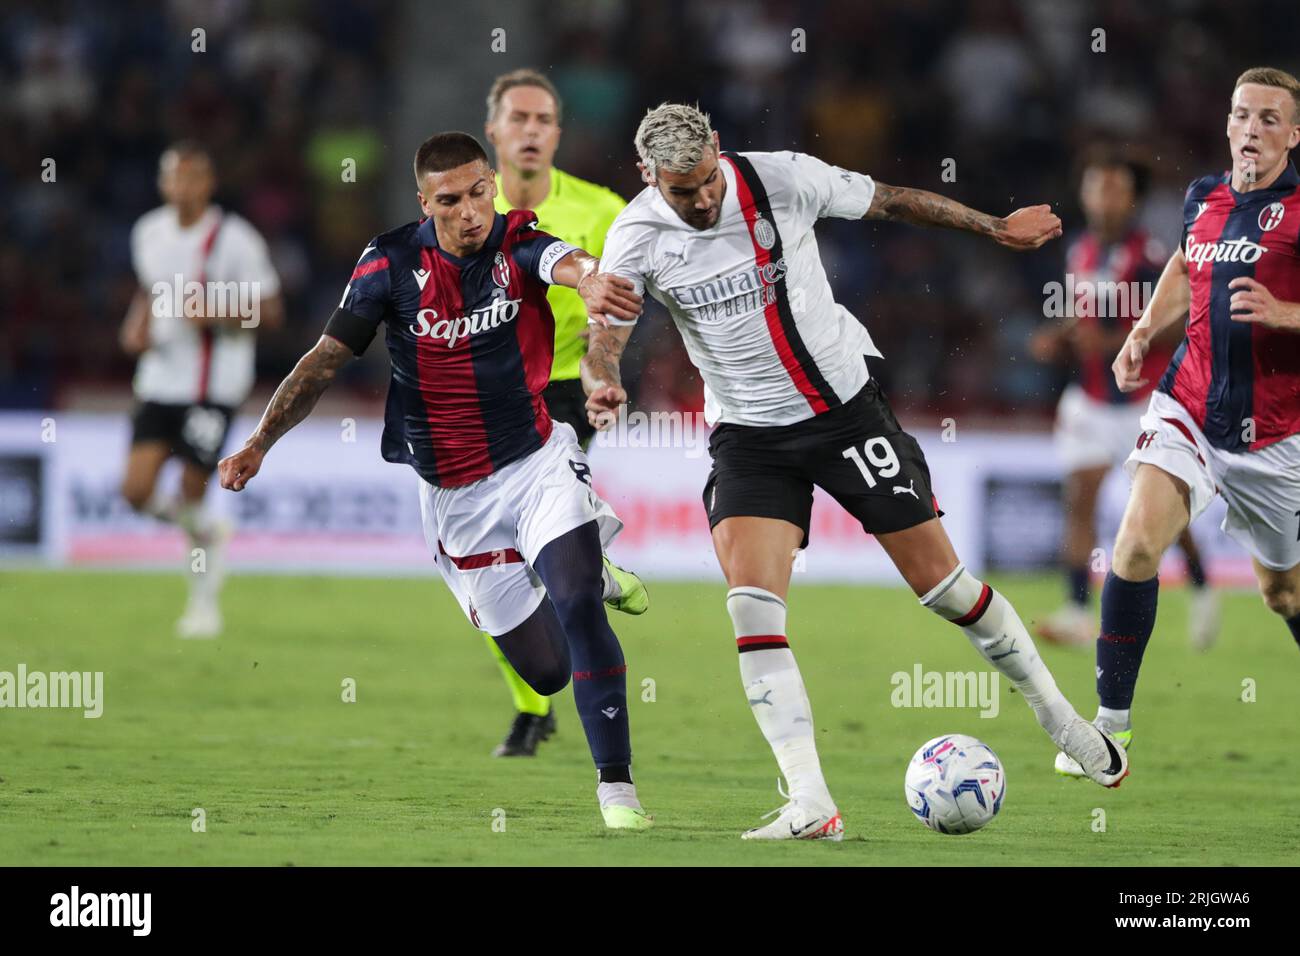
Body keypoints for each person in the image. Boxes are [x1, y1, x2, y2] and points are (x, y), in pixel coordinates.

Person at [583, 103, 1128, 841]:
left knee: (946, 589)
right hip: (749, 437)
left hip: (844, 414)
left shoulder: (781, 179)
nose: (703, 199)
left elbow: (893, 200)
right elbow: (605, 339)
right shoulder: (635, 236)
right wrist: (603, 382)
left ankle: (1061, 721)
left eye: (708, 179)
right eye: (684, 191)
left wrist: (994, 227)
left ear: (717, 147)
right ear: (649, 176)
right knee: (751, 610)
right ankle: (811, 802)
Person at [217, 132, 653, 829]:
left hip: (536, 462)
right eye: (450, 201)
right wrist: (259, 442)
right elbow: (324, 361)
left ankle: (618, 791)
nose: (470, 211)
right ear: (425, 203)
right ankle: (594, 575)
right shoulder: (388, 264)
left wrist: (593, 277)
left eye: (480, 192)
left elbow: (565, 262)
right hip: (456, 499)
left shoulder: (517, 241)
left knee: (575, 601)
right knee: (547, 672)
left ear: (492, 186)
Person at [1055, 67, 1300, 778]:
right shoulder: (1203, 196)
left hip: (1275, 434)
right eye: (1242, 114)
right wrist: (1141, 332)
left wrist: (1285, 313)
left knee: (1283, 593)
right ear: (1227, 124)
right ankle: (1109, 733)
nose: (1252, 129)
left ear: (1293, 135)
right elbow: (1189, 270)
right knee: (1133, 544)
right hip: (1188, 406)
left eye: (1269, 119)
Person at [480, 68, 647, 757]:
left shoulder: (602, 210)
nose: (531, 131)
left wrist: (607, 375)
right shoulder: (465, 205)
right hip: (479, 395)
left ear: (557, 133)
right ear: (493, 131)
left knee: (532, 551)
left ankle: (541, 703)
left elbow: (619, 309)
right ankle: (533, 704)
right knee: (490, 562)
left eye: (543, 120)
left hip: (563, 393)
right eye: (518, 118)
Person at [1031, 148, 1219, 650]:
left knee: (1162, 516)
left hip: (1142, 402)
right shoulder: (1079, 250)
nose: (1104, 197)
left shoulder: (1152, 255)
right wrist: (1058, 336)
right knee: (1080, 501)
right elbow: (1084, 316)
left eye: (1115, 188)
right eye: (1096, 186)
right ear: (1084, 194)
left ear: (1132, 197)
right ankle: (1077, 611)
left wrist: (1113, 343)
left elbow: (1177, 321)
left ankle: (1202, 587)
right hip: (1089, 400)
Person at [119, 142, 283, 638]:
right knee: (135, 491)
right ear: (163, 183)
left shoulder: (235, 239)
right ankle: (209, 532)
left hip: (212, 388)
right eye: (175, 176)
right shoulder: (147, 232)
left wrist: (217, 312)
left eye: (193, 177)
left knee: (192, 491)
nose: (183, 186)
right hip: (158, 381)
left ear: (210, 184)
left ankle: (202, 606)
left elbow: (272, 312)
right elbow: (150, 288)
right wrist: (136, 325)